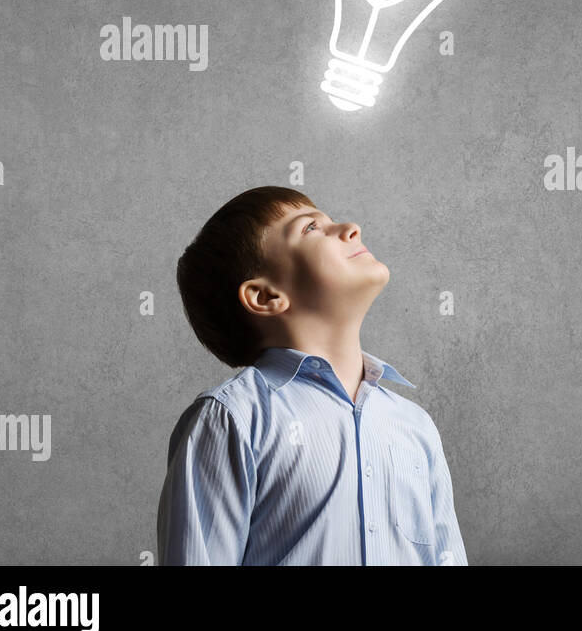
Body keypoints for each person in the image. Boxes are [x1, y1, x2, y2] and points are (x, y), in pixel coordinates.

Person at [157, 185, 467, 565]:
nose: (350, 228)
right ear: (266, 296)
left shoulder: (415, 426)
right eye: (311, 229)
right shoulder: (233, 420)